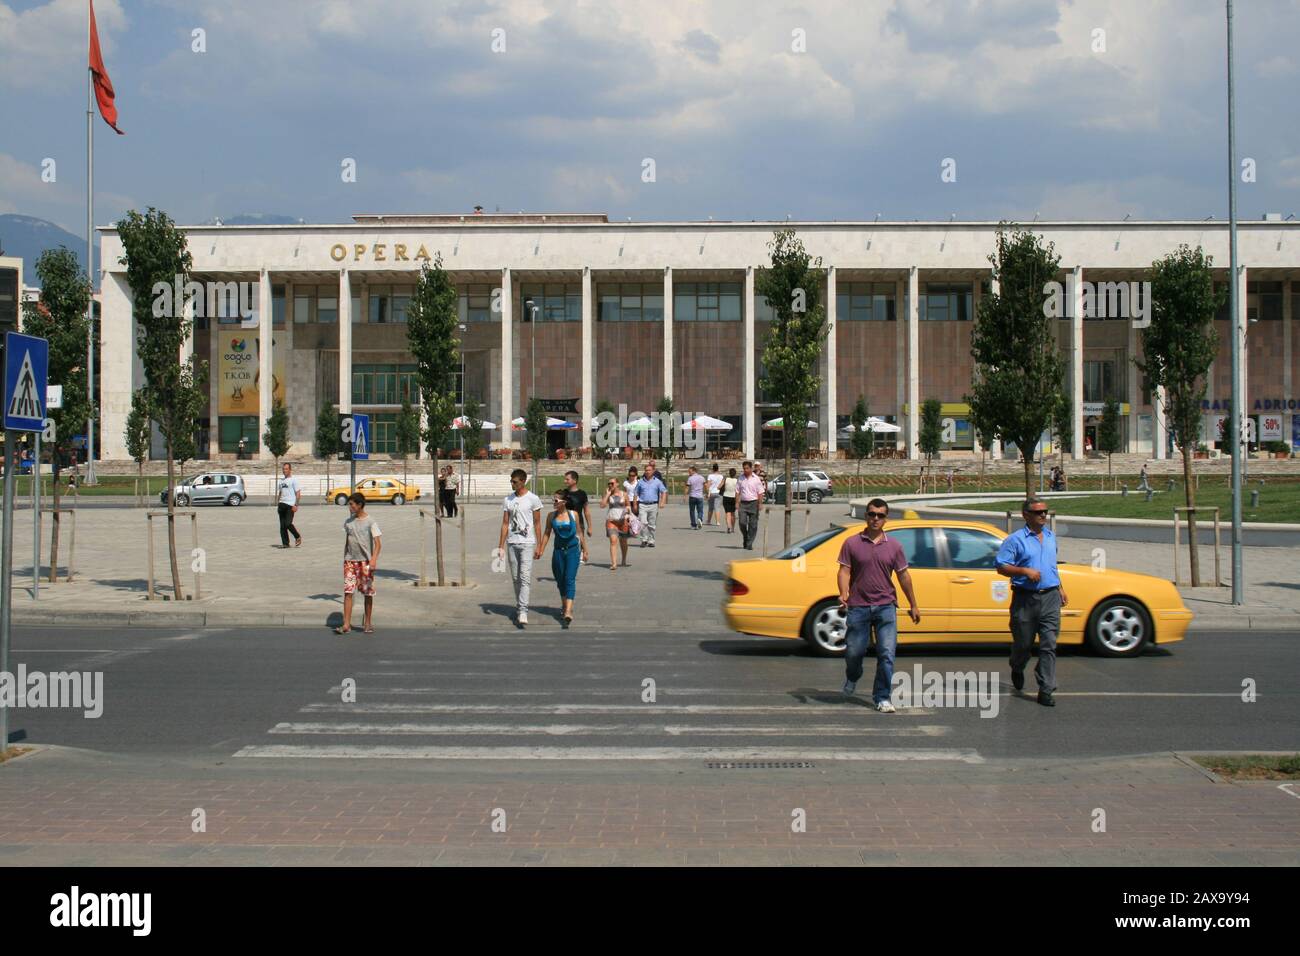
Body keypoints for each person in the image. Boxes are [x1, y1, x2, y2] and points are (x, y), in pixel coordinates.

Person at [838, 498, 921, 713]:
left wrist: (913, 604)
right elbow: (844, 571)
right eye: (872, 514)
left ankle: (882, 696)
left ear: (886, 519)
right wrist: (843, 593)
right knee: (854, 653)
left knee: (886, 654)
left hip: (886, 606)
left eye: (880, 515)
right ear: (866, 516)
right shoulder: (852, 543)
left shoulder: (894, 546)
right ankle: (853, 676)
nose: (876, 518)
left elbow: (904, 576)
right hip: (858, 606)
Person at [995, 495, 1067, 707]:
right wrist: (1023, 570)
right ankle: (1017, 666)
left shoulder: (1051, 536)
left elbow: (1051, 566)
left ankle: (1046, 689)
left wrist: (1061, 588)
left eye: (1045, 511)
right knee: (1023, 644)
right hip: (1025, 598)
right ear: (1026, 515)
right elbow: (1001, 566)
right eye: (1038, 512)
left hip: (1051, 597)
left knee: (1049, 644)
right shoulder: (1015, 540)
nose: (1043, 515)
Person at [498, 468, 543, 628]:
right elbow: (505, 523)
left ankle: (523, 609)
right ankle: (519, 605)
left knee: (524, 577)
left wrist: (539, 545)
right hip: (512, 541)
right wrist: (500, 546)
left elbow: (537, 523)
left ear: (523, 481)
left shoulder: (533, 499)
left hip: (527, 543)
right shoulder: (508, 500)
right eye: (511, 481)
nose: (512, 483)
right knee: (516, 579)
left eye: (514, 481)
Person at [336, 491, 382, 634]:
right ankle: (346, 624)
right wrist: (345, 557)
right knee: (348, 591)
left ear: (359, 505)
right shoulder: (348, 522)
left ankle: (367, 623)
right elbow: (347, 540)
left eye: (351, 504)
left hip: (365, 562)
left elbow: (378, 544)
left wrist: (373, 560)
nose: (349, 507)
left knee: (367, 592)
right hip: (350, 562)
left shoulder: (370, 521)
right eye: (349, 504)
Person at [537, 490, 582, 626]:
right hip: (558, 552)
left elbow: (579, 531)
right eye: (553, 500)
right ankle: (564, 605)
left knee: (569, 579)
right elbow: (546, 533)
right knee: (560, 580)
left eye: (556, 500)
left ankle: (568, 610)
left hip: (573, 551)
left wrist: (585, 549)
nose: (554, 502)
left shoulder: (574, 515)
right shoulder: (551, 516)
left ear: (564, 502)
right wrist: (541, 549)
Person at [633, 460, 667, 547]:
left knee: (652, 524)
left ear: (653, 471)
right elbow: (636, 493)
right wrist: (635, 504)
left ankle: (651, 540)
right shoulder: (640, 482)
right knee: (643, 523)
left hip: (653, 505)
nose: (648, 472)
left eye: (649, 470)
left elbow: (664, 491)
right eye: (646, 470)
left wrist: (662, 502)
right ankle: (644, 540)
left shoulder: (657, 482)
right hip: (642, 504)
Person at [600, 477, 631, 570]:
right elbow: (602, 505)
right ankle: (614, 563)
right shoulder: (608, 494)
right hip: (611, 520)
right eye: (609, 483)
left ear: (617, 484)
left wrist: (628, 510)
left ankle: (624, 559)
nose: (610, 485)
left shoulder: (624, 494)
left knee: (623, 541)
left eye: (612, 483)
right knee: (613, 541)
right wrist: (607, 494)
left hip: (623, 521)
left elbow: (628, 504)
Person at [563, 470, 592, 563]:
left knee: (579, 541)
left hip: (579, 522)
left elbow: (586, 511)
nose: (565, 481)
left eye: (567, 479)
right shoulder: (563, 493)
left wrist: (590, 527)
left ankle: (582, 554)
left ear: (574, 480)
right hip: (565, 522)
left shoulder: (582, 494)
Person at [736, 460, 764, 550]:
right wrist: (736, 502)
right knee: (742, 522)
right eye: (744, 468)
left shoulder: (756, 479)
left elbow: (760, 492)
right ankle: (746, 536)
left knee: (753, 525)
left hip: (754, 503)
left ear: (751, 468)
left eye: (747, 468)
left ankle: (749, 543)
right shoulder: (740, 478)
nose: (746, 470)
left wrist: (760, 503)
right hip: (743, 504)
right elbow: (737, 491)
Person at [276, 462, 303, 549]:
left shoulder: (294, 480)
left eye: (286, 469)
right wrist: (278, 503)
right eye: (283, 469)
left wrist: (296, 505)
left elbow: (298, 493)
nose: (284, 471)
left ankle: (297, 536)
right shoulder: (281, 481)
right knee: (282, 526)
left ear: (290, 470)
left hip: (290, 505)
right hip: (281, 504)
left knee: (288, 523)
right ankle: (285, 543)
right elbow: (280, 492)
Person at [685, 464, 705, 530]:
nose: (689, 473)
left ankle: (693, 525)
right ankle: (699, 518)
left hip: (692, 496)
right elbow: (705, 485)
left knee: (692, 511)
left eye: (690, 472)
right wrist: (708, 493)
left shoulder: (690, 478)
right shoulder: (702, 477)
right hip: (700, 496)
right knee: (700, 510)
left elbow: (687, 488)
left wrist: (685, 495)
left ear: (694, 471)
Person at [721, 467, 739, 533]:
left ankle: (728, 526)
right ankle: (733, 528)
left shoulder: (726, 479)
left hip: (726, 496)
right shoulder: (737, 480)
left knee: (727, 513)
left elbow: (719, 486)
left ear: (729, 473)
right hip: (734, 497)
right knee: (733, 513)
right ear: (735, 474)